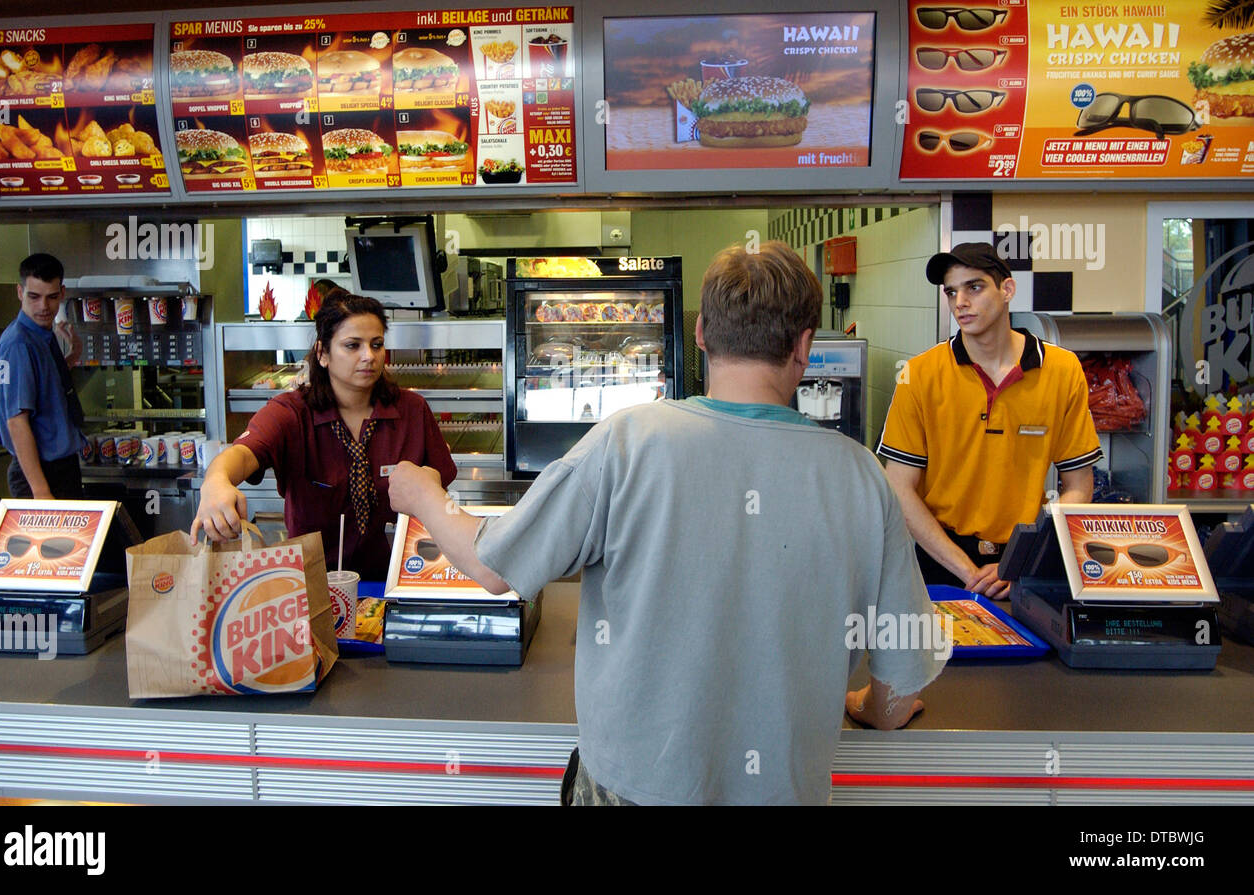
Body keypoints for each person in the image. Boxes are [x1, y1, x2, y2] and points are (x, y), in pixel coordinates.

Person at [389, 241, 942, 806]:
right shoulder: (860, 475)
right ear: (804, 346)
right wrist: (865, 704)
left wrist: (427, 496)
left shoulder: (626, 441)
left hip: (634, 789)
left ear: (701, 333)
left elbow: (493, 567)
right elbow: (896, 694)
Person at [876, 243, 1101, 600]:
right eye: (951, 292)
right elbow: (899, 488)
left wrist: (1024, 560)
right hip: (938, 560)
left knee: (1034, 657)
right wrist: (968, 571)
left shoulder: (1062, 370)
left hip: (1023, 561)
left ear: (1007, 290)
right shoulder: (919, 375)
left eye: (974, 287)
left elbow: (1078, 486)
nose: (959, 302)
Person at [191, 290, 456, 582]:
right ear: (323, 354)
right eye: (352, 345)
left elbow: (440, 487)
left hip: (398, 579)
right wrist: (216, 481)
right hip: (314, 586)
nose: (369, 356)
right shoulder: (292, 413)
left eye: (376, 344)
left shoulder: (411, 410)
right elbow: (243, 453)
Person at [0, 253, 87, 500]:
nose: (43, 307)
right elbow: (16, 421)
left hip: (62, 467)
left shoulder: (43, 334)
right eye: (34, 297)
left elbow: (45, 386)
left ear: (62, 293)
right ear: (19, 292)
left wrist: (73, 356)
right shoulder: (19, 343)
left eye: (52, 297)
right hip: (42, 474)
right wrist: (40, 490)